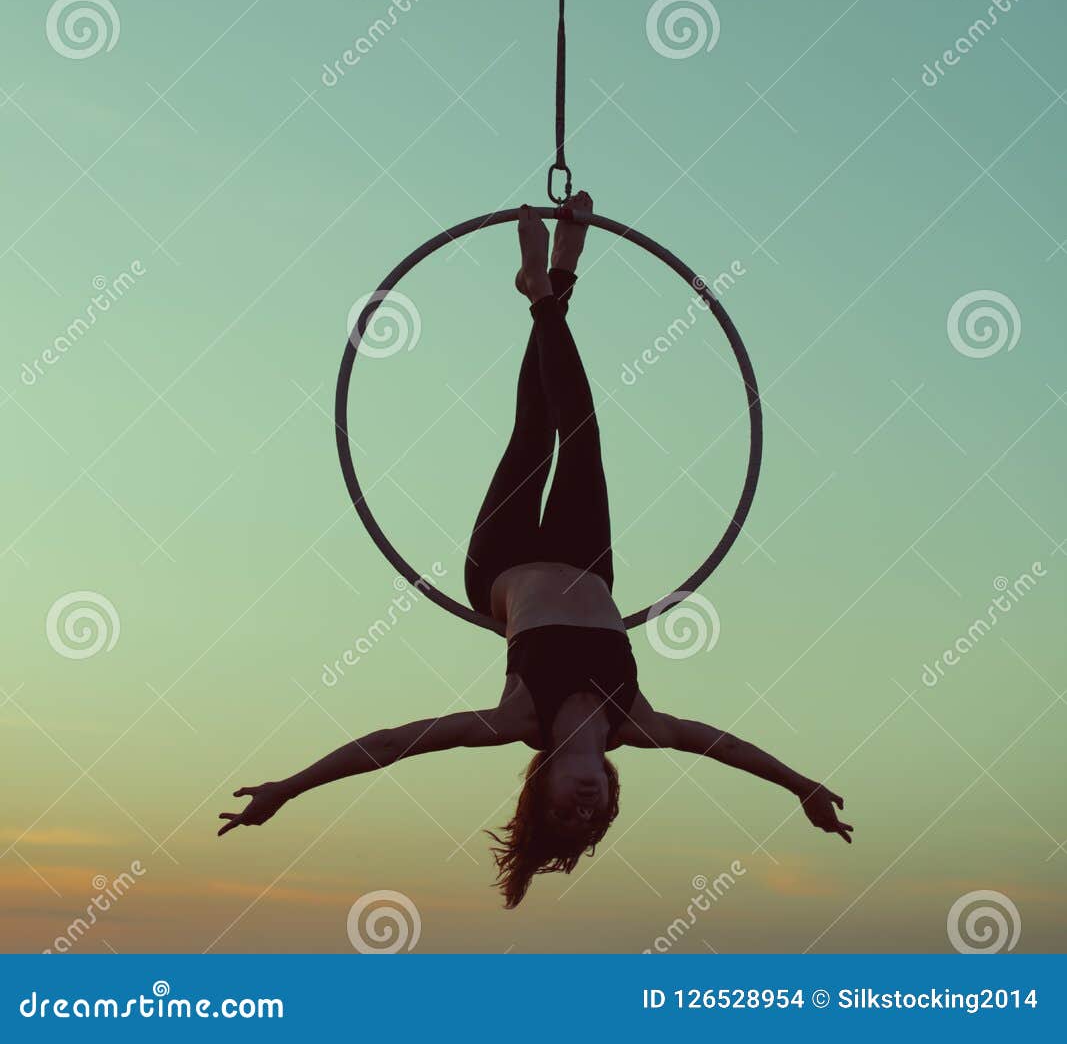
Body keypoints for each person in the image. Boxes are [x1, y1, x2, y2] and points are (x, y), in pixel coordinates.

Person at [218, 200, 852, 906]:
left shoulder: (514, 719)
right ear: (612, 794)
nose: (583, 803)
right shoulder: (636, 721)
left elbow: (390, 743)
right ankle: (551, 283)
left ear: (539, 788)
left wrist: (291, 786)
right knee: (576, 430)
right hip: (588, 561)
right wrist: (801, 786)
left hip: (503, 564)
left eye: (563, 811)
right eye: (594, 813)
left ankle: (548, 292)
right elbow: (728, 748)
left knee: (533, 435)